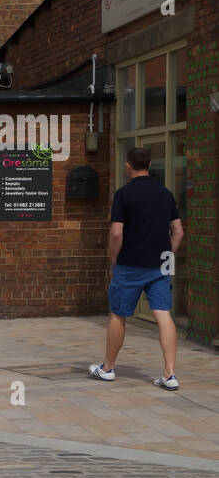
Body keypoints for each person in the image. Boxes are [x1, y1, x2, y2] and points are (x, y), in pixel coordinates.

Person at [90, 146, 185, 390]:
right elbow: (178, 232)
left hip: (130, 263)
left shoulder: (124, 194)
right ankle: (169, 374)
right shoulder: (166, 194)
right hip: (160, 263)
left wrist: (114, 260)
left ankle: (108, 368)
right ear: (149, 165)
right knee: (163, 313)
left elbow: (116, 233)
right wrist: (167, 256)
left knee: (119, 313)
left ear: (128, 165)